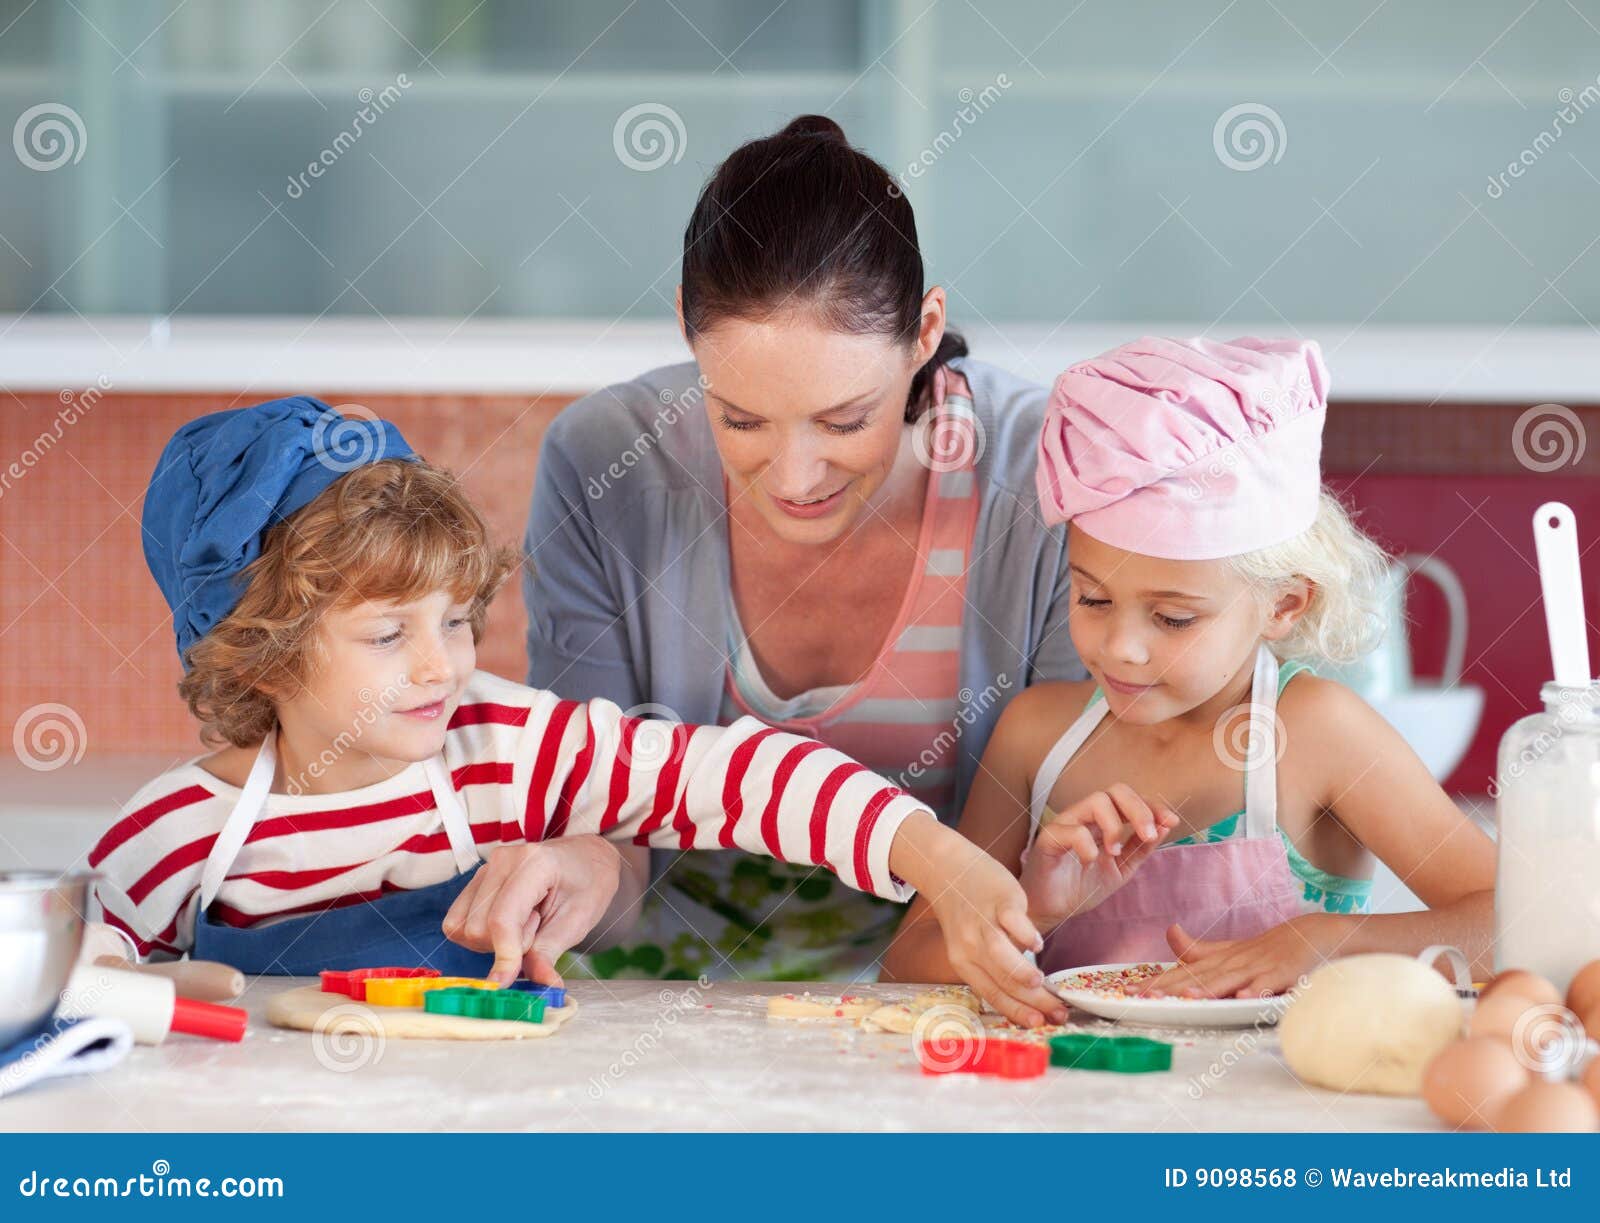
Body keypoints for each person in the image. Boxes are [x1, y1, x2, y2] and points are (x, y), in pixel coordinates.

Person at [89, 398, 1064, 1024]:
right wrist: (123, 989)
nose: (444, 665)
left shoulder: (503, 749)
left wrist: (939, 858)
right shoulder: (182, 832)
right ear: (258, 654)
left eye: (457, 619)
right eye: (390, 636)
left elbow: (736, 774)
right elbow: (70, 983)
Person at [525, 114, 1083, 983]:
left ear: (926, 331)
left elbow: (1056, 830)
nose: (793, 475)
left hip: (944, 979)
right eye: (740, 418)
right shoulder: (604, 467)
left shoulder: (1041, 477)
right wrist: (580, 867)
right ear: (685, 329)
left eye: (844, 419)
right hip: (656, 995)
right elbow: (597, 802)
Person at [883, 336, 1497, 997]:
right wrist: (1035, 909)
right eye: (1092, 597)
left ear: (1283, 605)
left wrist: (1324, 943)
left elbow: (1521, 925)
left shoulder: (1321, 733)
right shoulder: (1034, 738)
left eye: (1173, 618)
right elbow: (906, 962)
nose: (1121, 647)